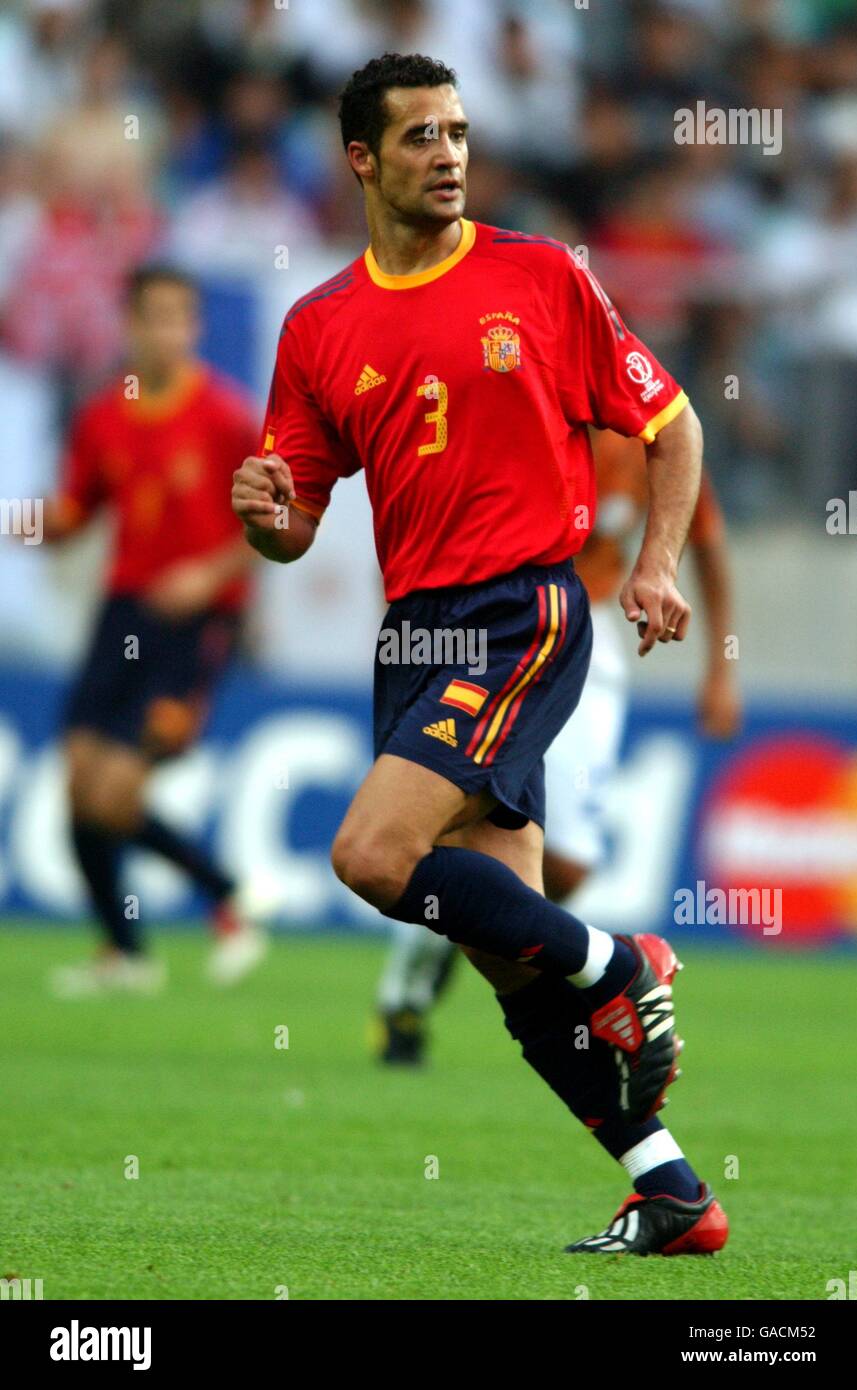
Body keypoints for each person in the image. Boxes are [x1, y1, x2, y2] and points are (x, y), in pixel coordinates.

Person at [232, 53, 728, 1257]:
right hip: (413, 632)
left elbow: (671, 427)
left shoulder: (540, 276)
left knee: (368, 852)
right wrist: (266, 518)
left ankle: (619, 958)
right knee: (504, 959)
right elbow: (294, 522)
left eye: (456, 132)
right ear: (361, 156)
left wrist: (654, 567)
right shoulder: (320, 326)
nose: (447, 153)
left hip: (521, 611)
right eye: (418, 137)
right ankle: (667, 1189)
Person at [374, 433, 741, 1061]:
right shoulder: (527, 399)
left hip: (586, 636)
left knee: (564, 868)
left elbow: (705, 539)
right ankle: (407, 996)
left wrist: (721, 667)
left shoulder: (651, 423)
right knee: (463, 826)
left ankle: (441, 944)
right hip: (498, 624)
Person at [38, 265, 268, 994]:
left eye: (181, 318)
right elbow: (77, 514)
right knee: (79, 782)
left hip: (198, 620)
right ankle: (126, 951)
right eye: (155, 317)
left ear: (194, 328)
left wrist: (207, 574)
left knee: (115, 791)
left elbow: (276, 521)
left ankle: (225, 889)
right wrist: (27, 520)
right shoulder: (104, 415)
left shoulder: (228, 416)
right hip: (122, 611)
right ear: (130, 325)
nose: (168, 332)